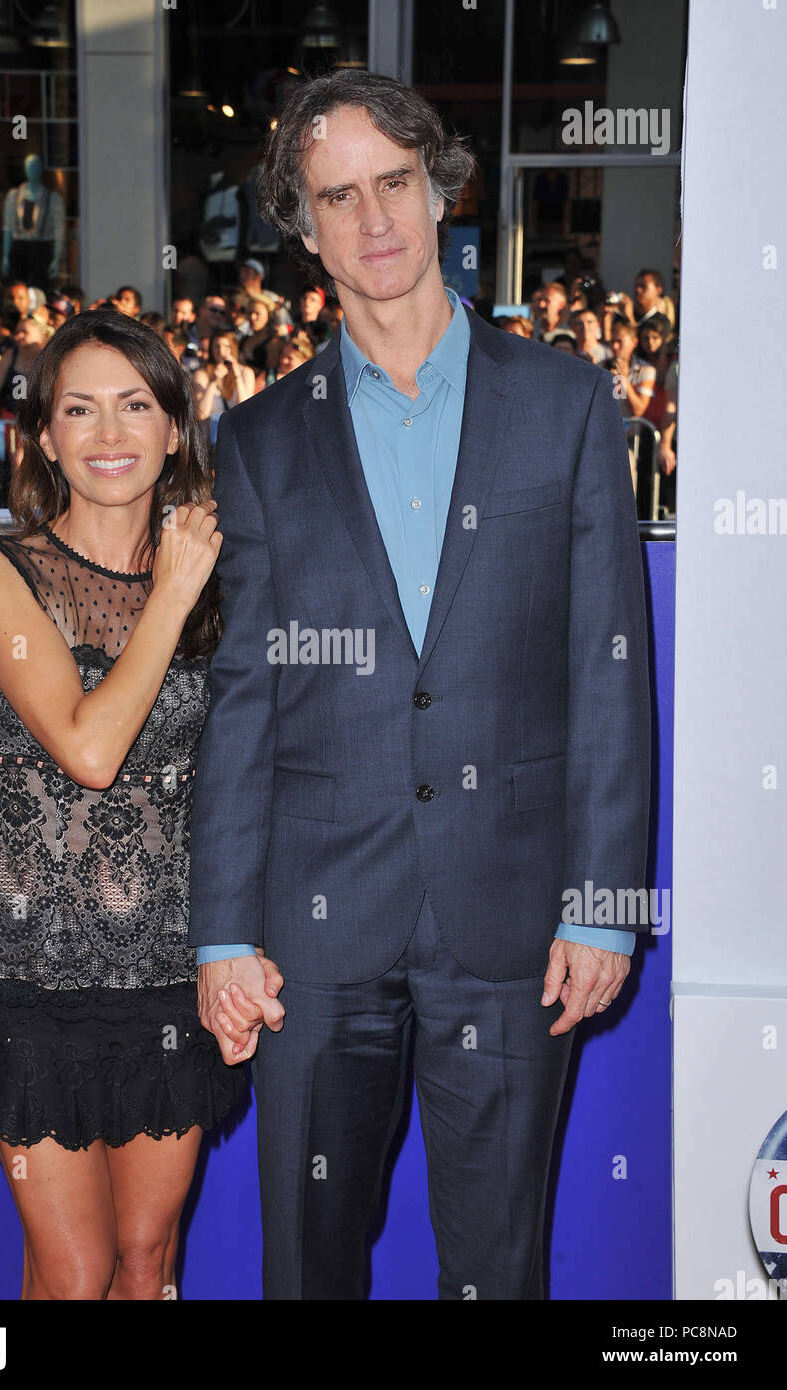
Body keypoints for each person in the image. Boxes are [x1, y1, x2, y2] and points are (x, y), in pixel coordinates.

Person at [188, 69, 650, 1301]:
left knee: (497, 1271)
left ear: (438, 186)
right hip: (311, 926)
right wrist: (225, 929)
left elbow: (607, 670)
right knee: (308, 1267)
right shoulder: (260, 437)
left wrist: (603, 903)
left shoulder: (560, 403)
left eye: (393, 181)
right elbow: (243, 695)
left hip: (509, 920)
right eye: (336, 197)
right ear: (302, 228)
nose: (373, 220)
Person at [0, 308, 251, 1299]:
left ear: (173, 430)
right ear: (47, 438)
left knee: (148, 1266)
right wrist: (171, 591)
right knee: (74, 1275)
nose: (109, 434)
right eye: (79, 409)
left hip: (162, 979)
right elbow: (88, 747)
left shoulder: (217, 583)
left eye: (133, 406)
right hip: (26, 983)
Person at [192, 332, 255, 446]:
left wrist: (237, 377)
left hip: (237, 439)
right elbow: (201, 414)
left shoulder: (246, 372)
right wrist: (212, 382)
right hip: (211, 442)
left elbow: (246, 409)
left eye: (226, 346)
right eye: (217, 346)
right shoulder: (201, 374)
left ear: (233, 348)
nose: (221, 351)